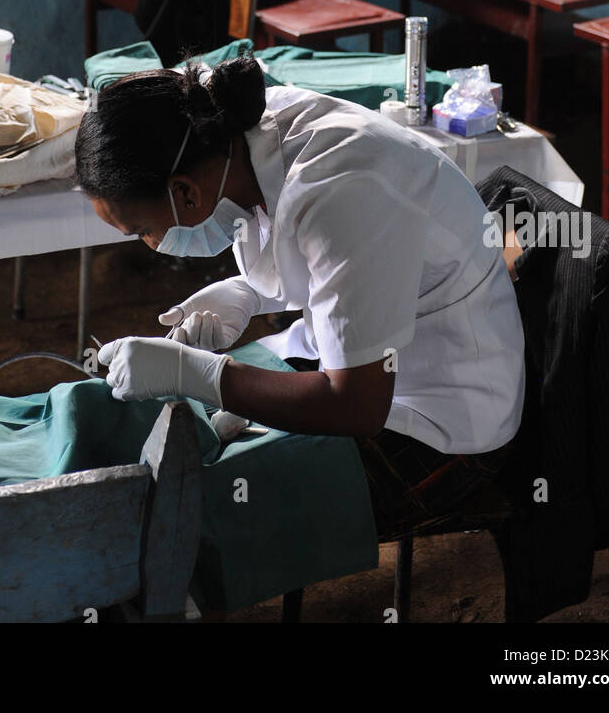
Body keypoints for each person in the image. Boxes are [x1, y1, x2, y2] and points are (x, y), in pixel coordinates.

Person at [75, 53, 526, 538]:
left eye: (141, 229)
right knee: (184, 437)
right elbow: (330, 262)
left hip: (442, 418)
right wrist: (246, 292)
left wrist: (195, 373)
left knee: (190, 504)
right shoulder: (237, 136)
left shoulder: (342, 186)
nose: (150, 241)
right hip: (364, 361)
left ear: (185, 192)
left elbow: (357, 407)